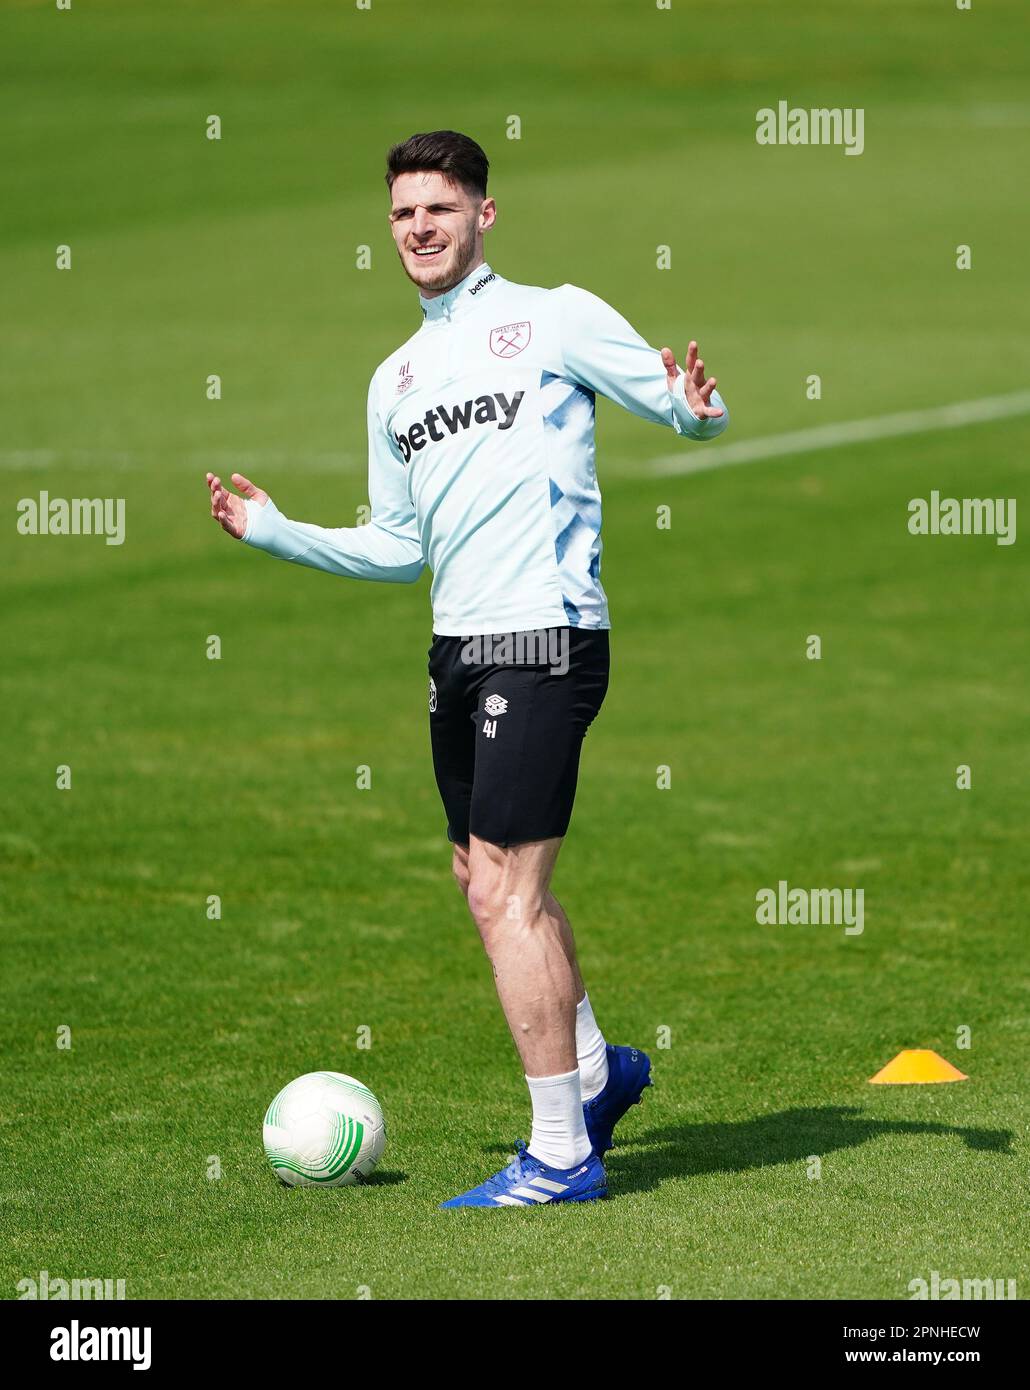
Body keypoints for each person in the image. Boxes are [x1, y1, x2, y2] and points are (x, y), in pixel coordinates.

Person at [207, 130, 729, 1207]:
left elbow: (674, 405)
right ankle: (595, 1071)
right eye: (403, 214)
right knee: (478, 878)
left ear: (483, 213)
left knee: (510, 895)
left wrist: (693, 410)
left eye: (439, 209)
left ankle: (559, 1155)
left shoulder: (553, 316)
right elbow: (399, 545)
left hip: (544, 637)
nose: (419, 229)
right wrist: (276, 531)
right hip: (456, 650)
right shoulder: (392, 381)